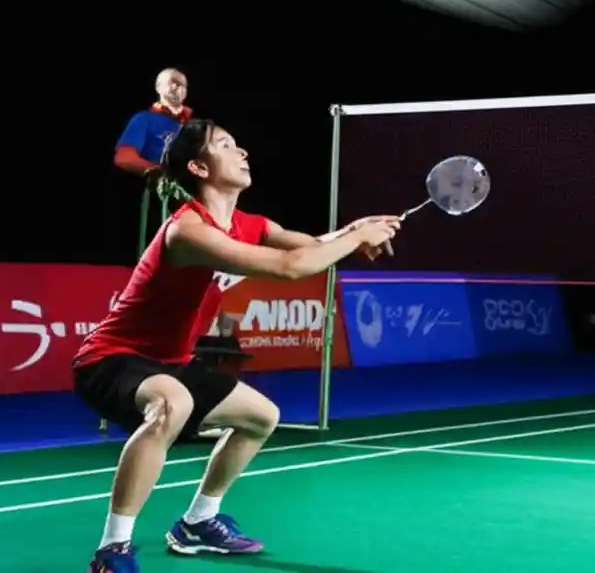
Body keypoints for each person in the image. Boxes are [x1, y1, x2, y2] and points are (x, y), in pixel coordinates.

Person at [74, 118, 402, 572]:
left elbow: (310, 246)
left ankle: (198, 522)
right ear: (199, 167)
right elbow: (292, 267)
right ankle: (112, 551)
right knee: (172, 402)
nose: (243, 151)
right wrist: (353, 239)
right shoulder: (187, 230)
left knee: (260, 417)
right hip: (111, 358)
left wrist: (355, 229)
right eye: (227, 145)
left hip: (170, 361)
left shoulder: (249, 225)